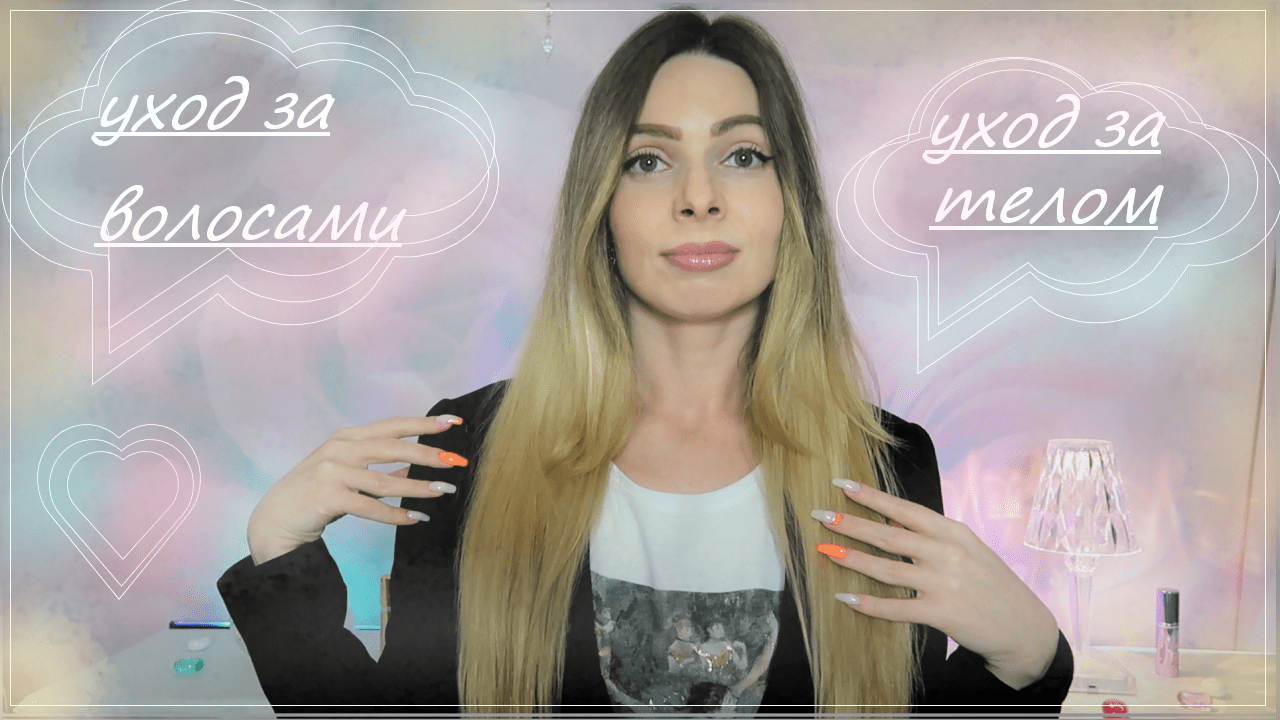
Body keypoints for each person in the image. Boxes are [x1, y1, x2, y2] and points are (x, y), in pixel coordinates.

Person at [218, 10, 1073, 715]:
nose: (698, 197)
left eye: (743, 155)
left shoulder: (887, 464)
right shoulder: (467, 448)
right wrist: (279, 557)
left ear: (791, 202)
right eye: (648, 160)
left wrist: (1032, 664)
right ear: (602, 206)